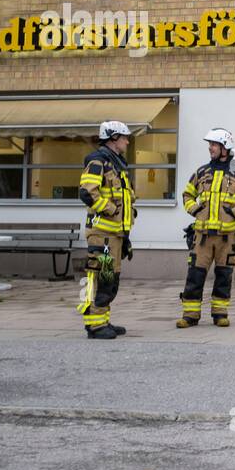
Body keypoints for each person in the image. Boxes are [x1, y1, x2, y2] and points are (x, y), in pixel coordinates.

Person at [177, 129, 235, 328]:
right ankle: (190, 315)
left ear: (225, 147)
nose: (210, 148)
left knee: (224, 277)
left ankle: (220, 313)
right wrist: (195, 210)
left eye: (214, 144)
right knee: (195, 276)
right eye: (210, 144)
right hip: (202, 236)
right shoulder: (201, 172)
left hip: (228, 237)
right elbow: (187, 195)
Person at [76, 120, 137, 339]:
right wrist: (110, 210)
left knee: (110, 280)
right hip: (101, 234)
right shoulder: (97, 161)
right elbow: (87, 193)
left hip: (115, 235)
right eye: (124, 137)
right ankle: (94, 326)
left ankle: (102, 320)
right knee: (100, 278)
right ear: (113, 138)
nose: (127, 141)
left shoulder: (116, 164)